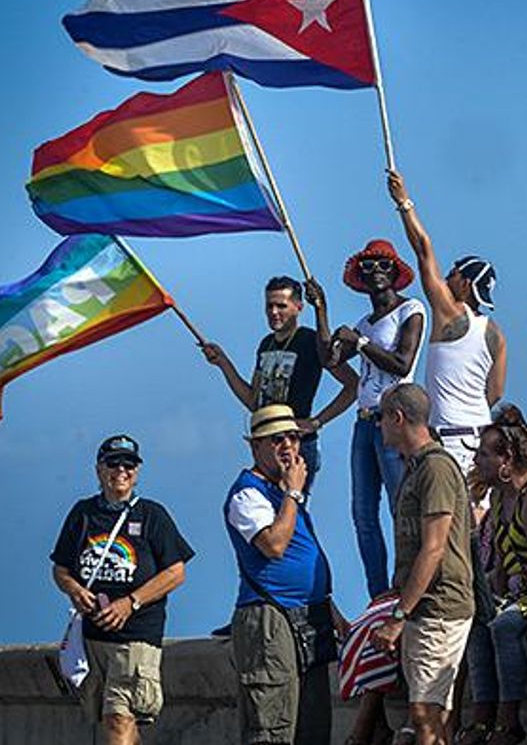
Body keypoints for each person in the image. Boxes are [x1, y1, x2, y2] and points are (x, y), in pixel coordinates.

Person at [51, 435, 194, 745]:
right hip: (91, 640)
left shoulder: (152, 515)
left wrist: (131, 603)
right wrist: (74, 589)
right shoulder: (83, 513)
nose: (121, 470)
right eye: (113, 463)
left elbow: (176, 571)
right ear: (99, 469)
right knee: (117, 721)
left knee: (118, 718)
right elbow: (60, 569)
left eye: (129, 464)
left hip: (135, 637)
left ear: (137, 471)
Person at [312, 239, 427, 599]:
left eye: (383, 265)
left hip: (393, 420)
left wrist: (360, 344)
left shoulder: (411, 310)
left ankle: (405, 584)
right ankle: (377, 593)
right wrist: (321, 312)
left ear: (395, 272)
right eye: (368, 266)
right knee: (363, 513)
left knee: (400, 508)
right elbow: (329, 359)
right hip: (364, 421)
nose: (376, 271)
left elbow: (402, 364)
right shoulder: (363, 322)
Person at [223, 404, 344, 745]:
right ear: (255, 446)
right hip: (270, 617)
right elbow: (274, 545)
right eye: (277, 439)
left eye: (293, 438)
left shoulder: (284, 494)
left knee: (313, 726)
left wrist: (331, 610)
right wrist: (293, 492)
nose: (289, 446)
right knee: (272, 727)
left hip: (308, 615)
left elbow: (302, 556)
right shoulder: (248, 494)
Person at [371, 384, 476, 745]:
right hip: (424, 605)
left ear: (397, 418)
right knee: (434, 714)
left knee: (424, 713)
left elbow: (433, 548)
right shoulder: (417, 469)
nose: (378, 425)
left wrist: (399, 617)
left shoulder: (436, 468)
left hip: (439, 605)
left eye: (380, 417)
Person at [387, 171, 507, 478]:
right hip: (481, 437)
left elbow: (423, 249)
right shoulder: (496, 334)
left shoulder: (450, 313)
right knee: (479, 523)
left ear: (465, 284)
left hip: (450, 438)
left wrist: (404, 202)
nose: (446, 276)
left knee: (446, 520)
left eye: (453, 272)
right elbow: (494, 393)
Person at [201, 275, 359, 494]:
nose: (274, 312)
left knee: (292, 508)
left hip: (296, 443)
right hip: (267, 440)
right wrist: (224, 364)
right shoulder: (266, 344)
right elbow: (253, 401)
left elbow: (353, 385)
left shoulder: (310, 341)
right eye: (269, 306)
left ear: (298, 307)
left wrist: (316, 422)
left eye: (281, 306)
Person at [460, 405, 527, 745]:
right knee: (479, 621)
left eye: (484, 455)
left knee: (504, 626)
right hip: (517, 593)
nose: (477, 462)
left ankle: (509, 718)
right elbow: (501, 565)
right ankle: (481, 715)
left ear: (507, 459)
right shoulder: (500, 498)